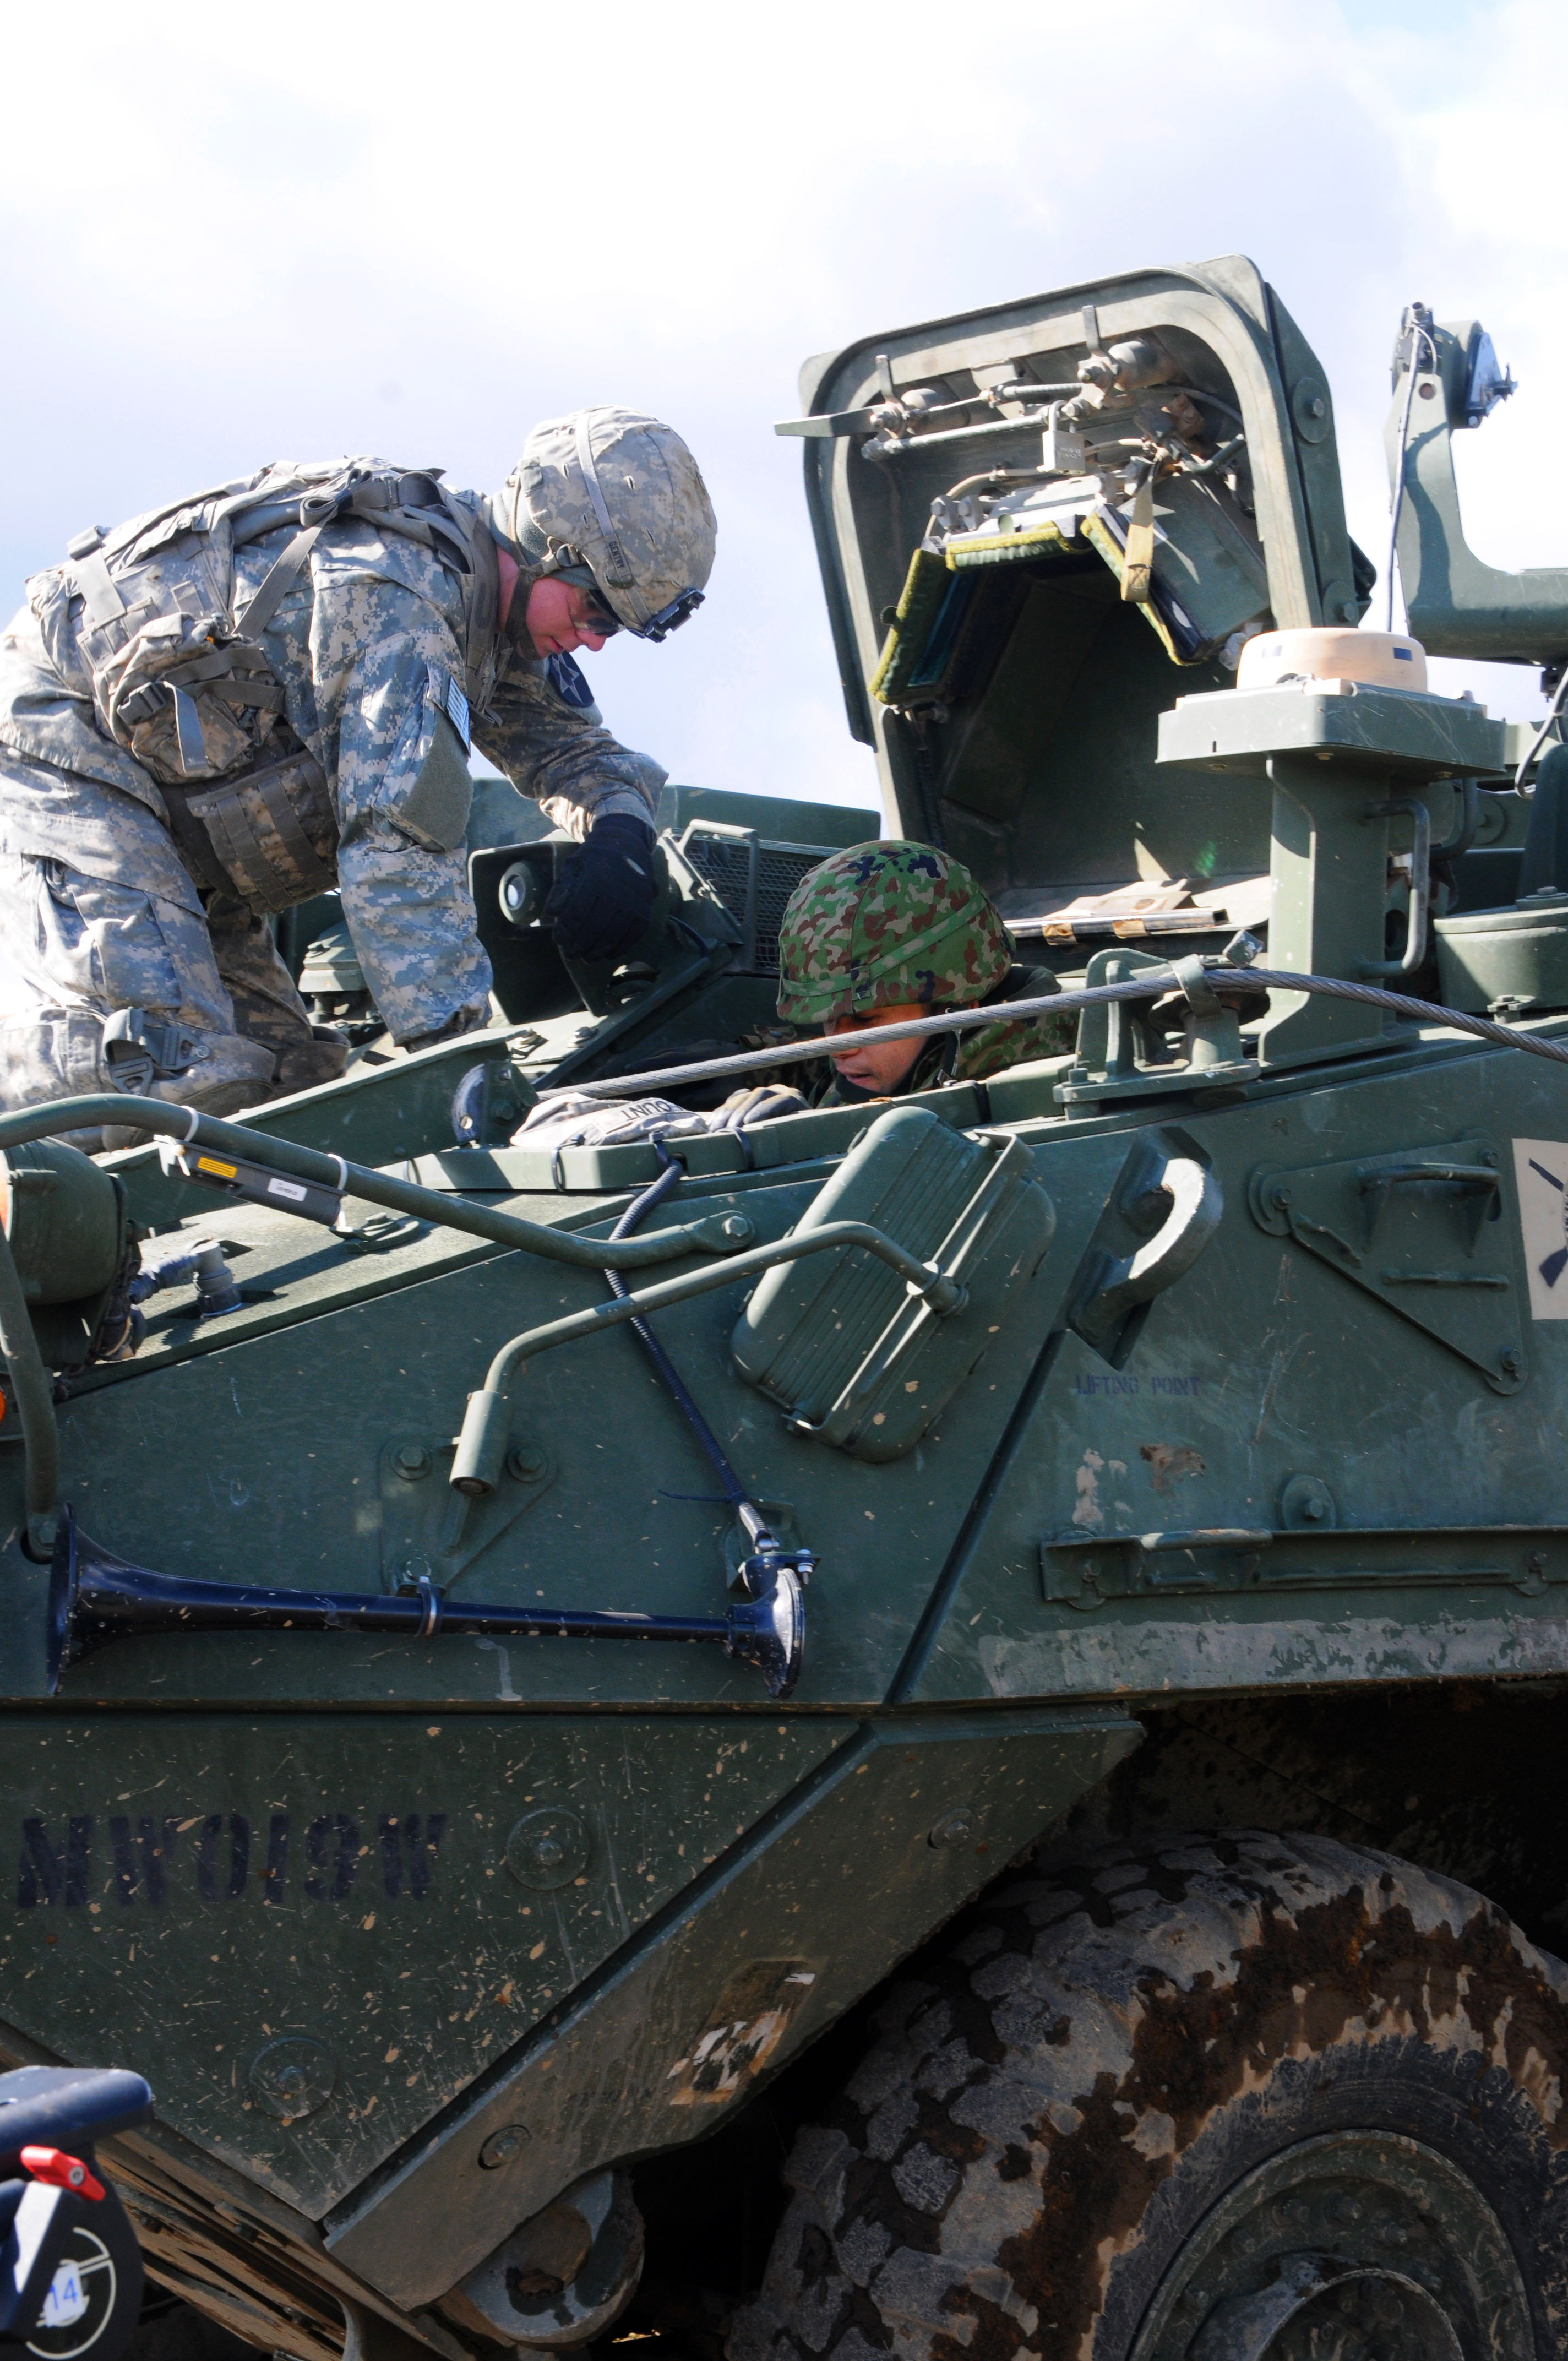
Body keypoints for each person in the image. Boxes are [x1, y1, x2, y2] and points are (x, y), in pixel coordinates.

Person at [0, 407, 715, 1137]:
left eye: (614, 629)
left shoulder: (489, 607)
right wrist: (468, 1070)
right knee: (172, 1077)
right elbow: (396, 853)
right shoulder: (403, 607)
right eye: (595, 609)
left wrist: (620, 832)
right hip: (70, 750)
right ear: (542, 546)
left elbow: (570, 751)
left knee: (288, 1101)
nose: (593, 642)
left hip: (188, 827)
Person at [774, 840, 1075, 1103]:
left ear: (960, 1003)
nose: (839, 1048)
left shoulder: (1031, 1090)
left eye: (864, 1018)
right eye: (826, 1019)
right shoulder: (888, 1070)